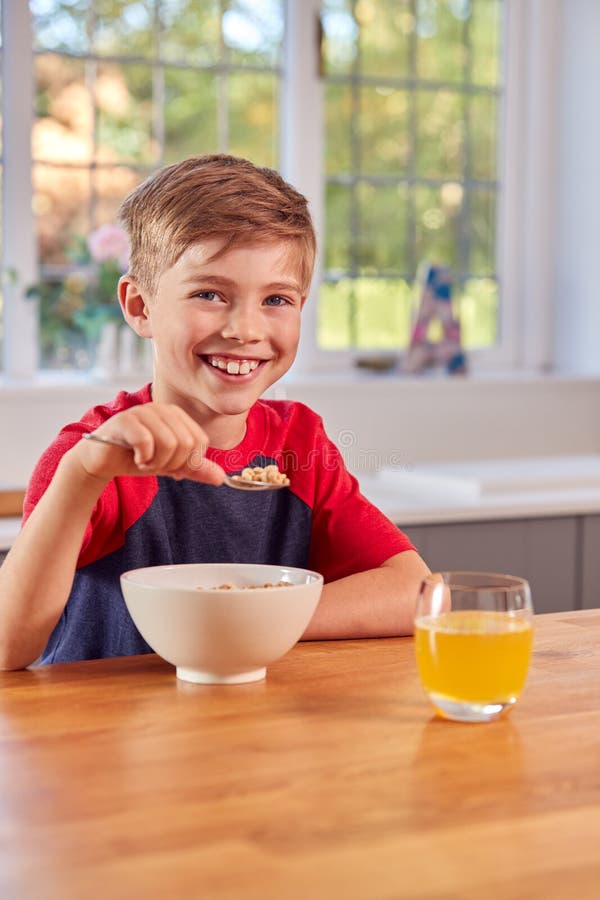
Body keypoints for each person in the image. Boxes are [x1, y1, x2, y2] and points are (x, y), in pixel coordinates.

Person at [0, 154, 429, 670]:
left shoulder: (299, 443)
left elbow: (416, 592)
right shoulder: (93, 456)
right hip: (105, 737)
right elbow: (8, 647)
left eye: (276, 299)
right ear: (140, 307)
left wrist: (246, 625)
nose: (245, 329)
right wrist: (84, 473)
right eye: (209, 293)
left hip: (244, 732)